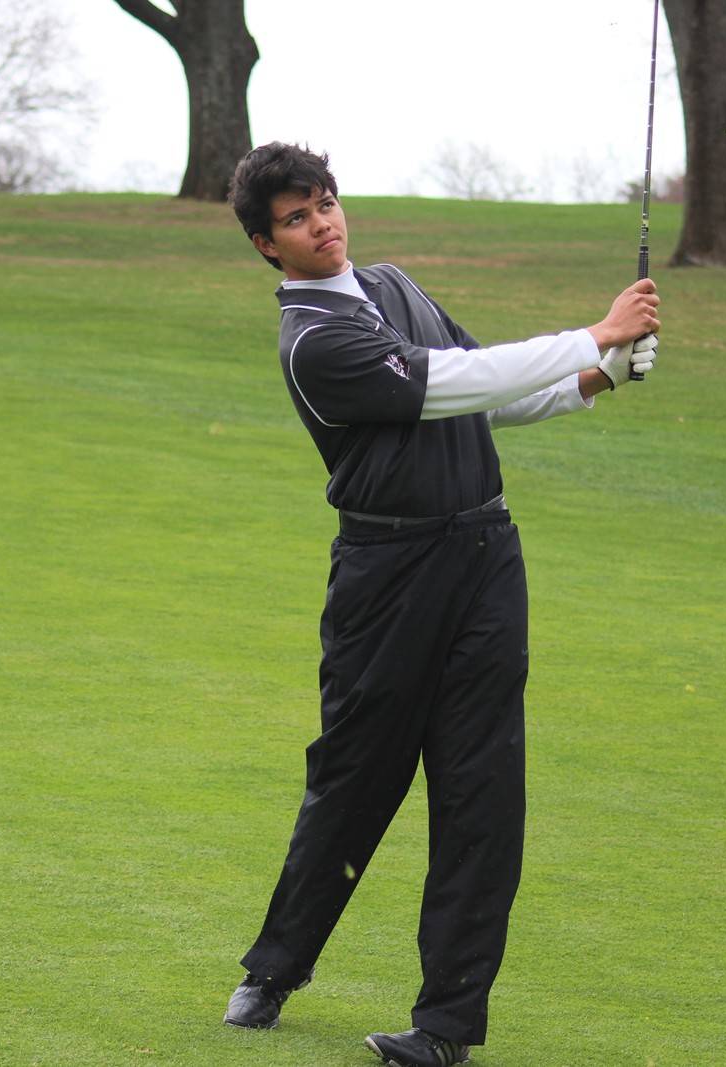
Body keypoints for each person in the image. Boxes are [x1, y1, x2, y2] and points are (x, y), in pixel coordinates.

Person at [221, 142, 661, 1067]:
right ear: (268, 246)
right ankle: (277, 965)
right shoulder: (314, 341)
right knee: (355, 779)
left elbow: (487, 400)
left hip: (485, 558)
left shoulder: (392, 285)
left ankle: (447, 1027)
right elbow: (446, 385)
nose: (323, 223)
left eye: (327, 202)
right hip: (387, 577)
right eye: (298, 218)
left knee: (482, 788)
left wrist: (596, 379)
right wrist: (593, 333)